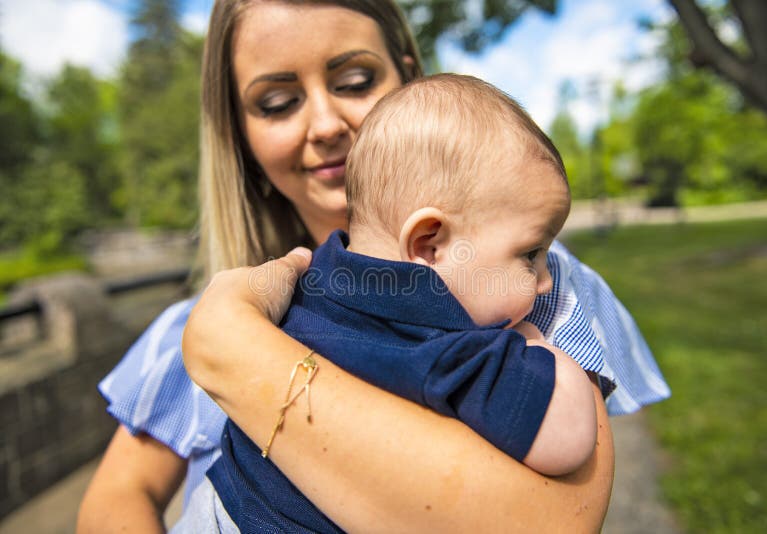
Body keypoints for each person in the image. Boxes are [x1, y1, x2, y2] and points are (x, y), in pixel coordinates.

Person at [77, 1, 669, 532]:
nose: (327, 124)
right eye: (278, 102)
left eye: (356, 81)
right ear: (243, 139)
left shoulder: (534, 287)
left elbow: (553, 522)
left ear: (412, 80)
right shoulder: (186, 323)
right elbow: (115, 499)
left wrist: (231, 348)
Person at [174, 73, 600, 532]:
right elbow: (568, 440)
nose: (544, 282)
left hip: (214, 507)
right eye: (531, 255)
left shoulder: (306, 283)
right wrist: (539, 348)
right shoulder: (450, 350)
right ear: (429, 244)